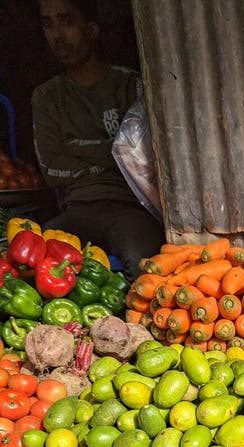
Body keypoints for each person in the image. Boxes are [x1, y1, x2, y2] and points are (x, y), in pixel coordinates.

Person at [32, 0, 165, 279]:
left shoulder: (130, 85)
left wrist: (75, 147)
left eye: (67, 21)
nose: (57, 34)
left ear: (91, 29)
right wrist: (109, 153)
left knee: (143, 267)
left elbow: (141, 158)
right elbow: (51, 171)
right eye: (48, 24)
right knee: (28, 261)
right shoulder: (46, 97)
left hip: (128, 207)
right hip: (77, 207)